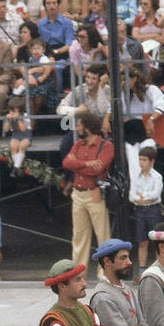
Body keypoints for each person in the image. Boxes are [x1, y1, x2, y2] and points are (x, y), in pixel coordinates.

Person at [88, 238, 164, 326]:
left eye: (128, 257)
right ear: (107, 262)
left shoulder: (127, 289)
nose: (129, 262)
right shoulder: (102, 297)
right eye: (123, 258)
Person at [62, 111, 112, 274]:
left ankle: (104, 272)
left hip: (94, 193)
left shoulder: (106, 145)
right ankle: (78, 272)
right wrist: (87, 164)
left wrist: (78, 164)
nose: (76, 128)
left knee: (102, 235)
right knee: (79, 236)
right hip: (78, 193)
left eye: (78, 125)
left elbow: (100, 167)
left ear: (88, 127)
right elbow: (66, 163)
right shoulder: (78, 144)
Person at [127, 145, 162, 268]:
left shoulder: (157, 177)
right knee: (142, 241)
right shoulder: (136, 176)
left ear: (151, 161)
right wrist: (142, 199)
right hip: (140, 211)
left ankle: (159, 268)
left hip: (153, 210)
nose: (141, 162)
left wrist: (142, 196)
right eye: (140, 159)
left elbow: (155, 195)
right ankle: (142, 269)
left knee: (157, 241)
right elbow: (132, 196)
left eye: (144, 160)